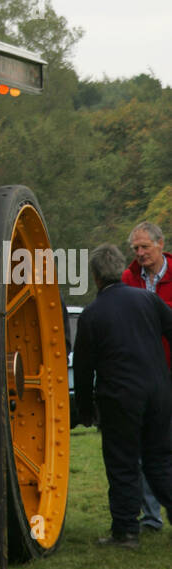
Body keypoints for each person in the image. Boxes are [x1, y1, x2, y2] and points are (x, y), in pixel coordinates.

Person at [73, 243, 172, 548]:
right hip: (158, 391)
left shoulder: (91, 314)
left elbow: (84, 367)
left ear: (96, 277)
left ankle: (127, 531)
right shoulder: (148, 300)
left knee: (123, 463)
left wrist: (86, 409)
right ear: (120, 269)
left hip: (119, 398)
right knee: (161, 460)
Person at [122, 222, 172, 532]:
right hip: (144, 376)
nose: (140, 253)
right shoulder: (128, 279)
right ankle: (151, 517)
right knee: (144, 447)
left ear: (160, 244)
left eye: (145, 247)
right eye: (136, 249)